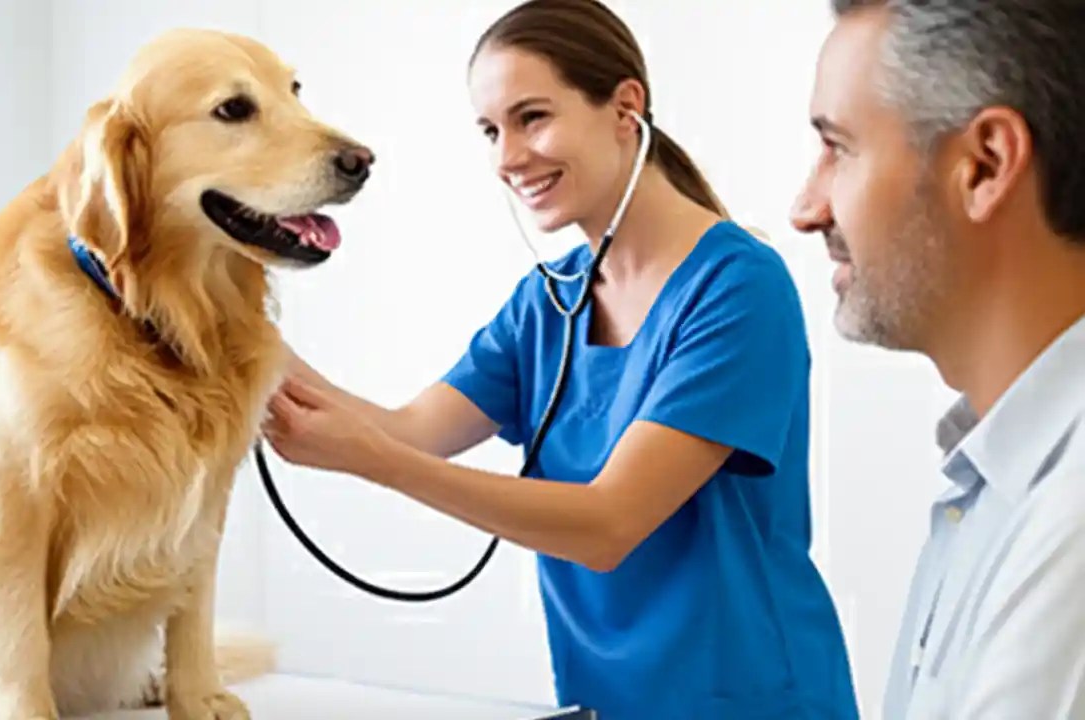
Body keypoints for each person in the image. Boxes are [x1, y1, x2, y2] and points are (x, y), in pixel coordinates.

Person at [264, 0, 858, 717]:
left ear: (624, 106)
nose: (507, 157)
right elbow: (408, 430)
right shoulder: (547, 303)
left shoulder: (738, 289)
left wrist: (373, 461)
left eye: (532, 117)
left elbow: (608, 524)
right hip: (600, 702)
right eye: (490, 130)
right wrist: (239, 340)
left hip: (750, 701)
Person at [791, 1, 1085, 718]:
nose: (806, 206)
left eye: (839, 148)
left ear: (985, 165)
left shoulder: (1070, 520)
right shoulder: (997, 479)